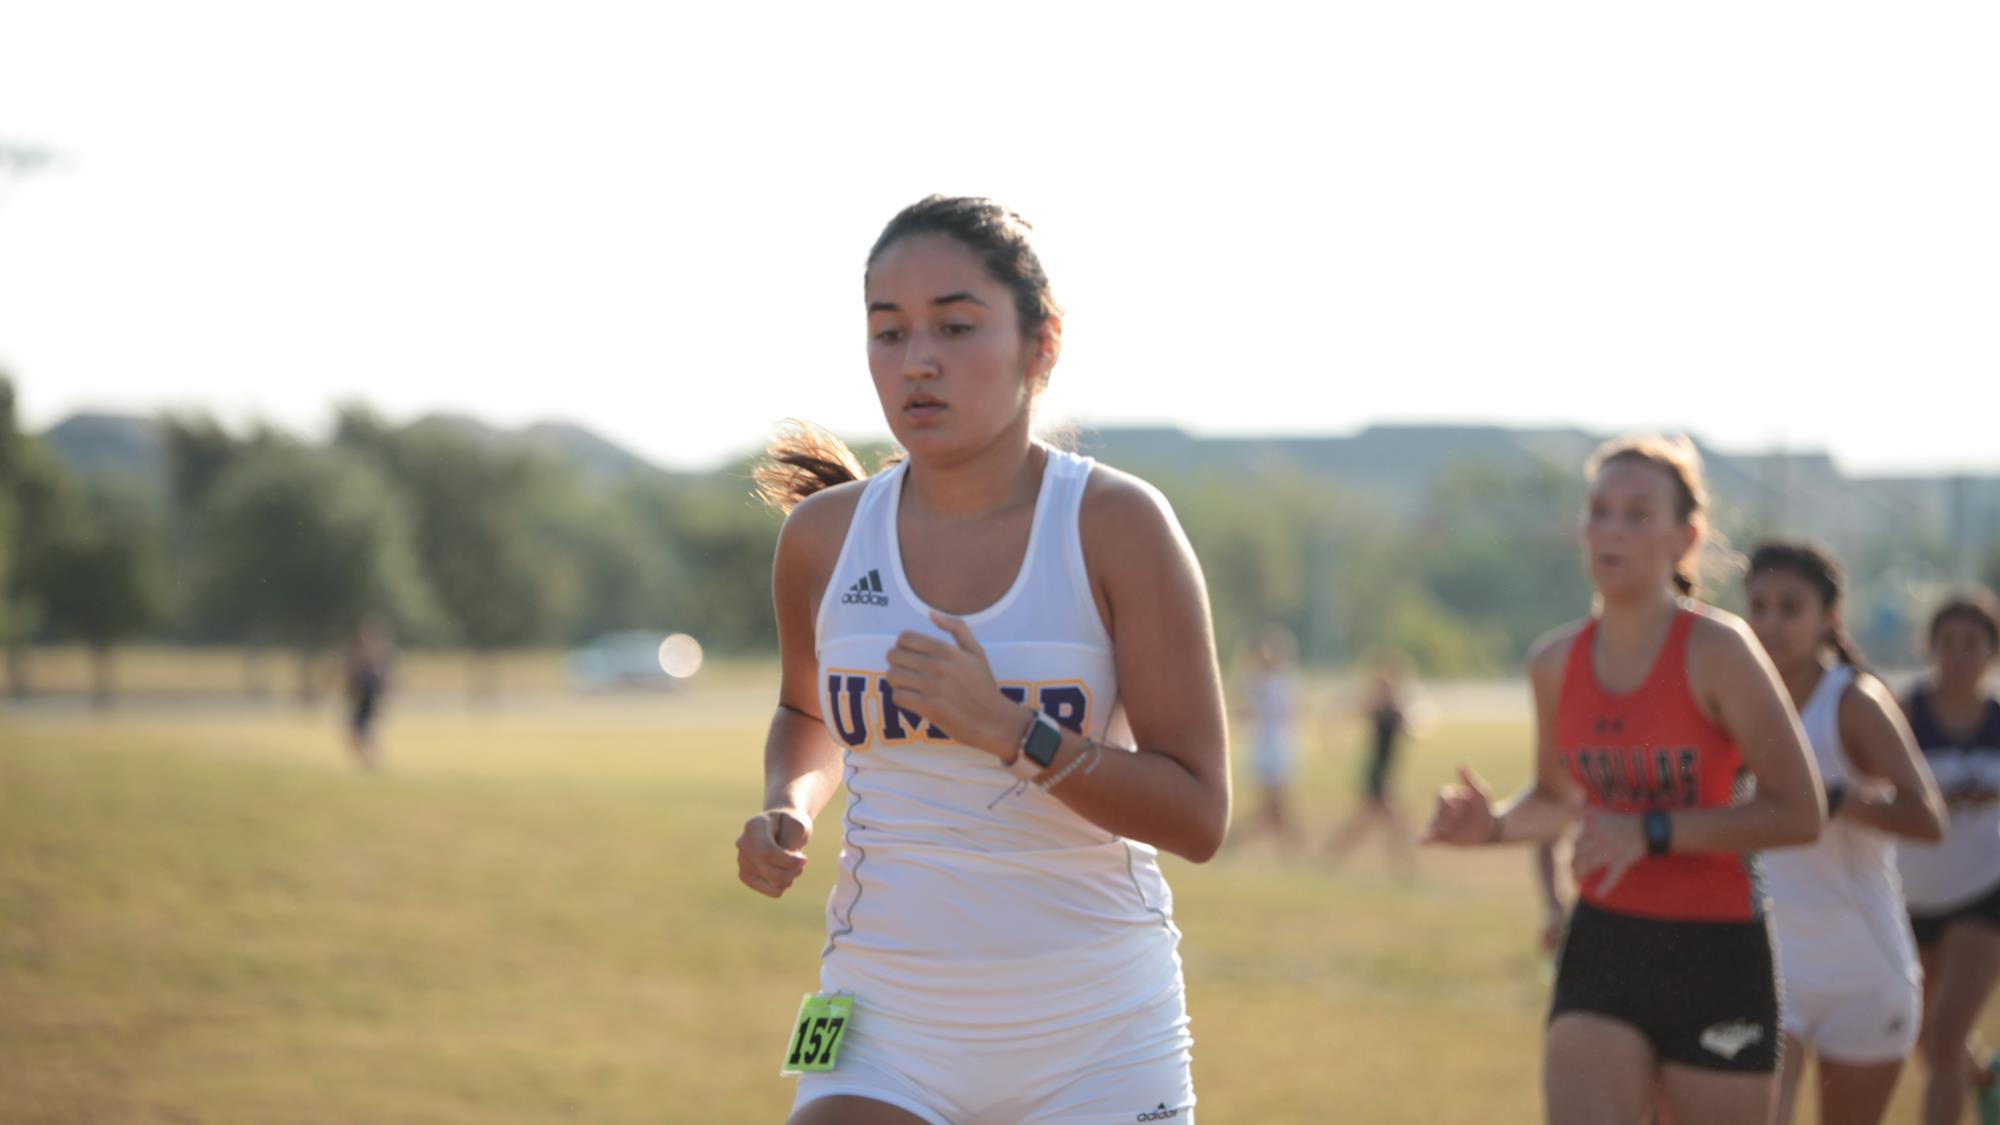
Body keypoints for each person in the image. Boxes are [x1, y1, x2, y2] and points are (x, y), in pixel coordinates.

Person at [734, 195, 1230, 1125]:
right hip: (873, 1015)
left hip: (1098, 1035)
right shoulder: (822, 538)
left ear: (1041, 343)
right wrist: (786, 804)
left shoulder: (1117, 526)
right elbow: (809, 717)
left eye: (956, 326)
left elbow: (1199, 814)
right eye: (889, 332)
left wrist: (1012, 731)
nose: (917, 360)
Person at [1424, 434, 1824, 1125]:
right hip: (1605, 942)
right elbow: (1556, 798)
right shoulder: (1554, 661)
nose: (1610, 529)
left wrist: (1654, 830)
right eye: (1599, 510)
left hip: (1717, 950)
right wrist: (1490, 826)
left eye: (1638, 513)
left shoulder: (1719, 649)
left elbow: (1800, 810)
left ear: (1685, 536)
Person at [1744, 542, 1946, 1125]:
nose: (1770, 623)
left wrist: (1840, 801)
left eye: (1790, 607)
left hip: (1862, 969)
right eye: (1757, 606)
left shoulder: (1853, 701)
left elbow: (1927, 817)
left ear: (1828, 617)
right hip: (1769, 965)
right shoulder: (1735, 698)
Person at [1898, 590, 2000, 1125]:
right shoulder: (1900, 715)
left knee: (1944, 1034)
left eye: (1972, 644)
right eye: (1947, 644)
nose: (1958, 656)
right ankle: (1986, 1080)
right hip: (1907, 900)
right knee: (1919, 1031)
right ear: (1930, 648)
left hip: (1985, 896)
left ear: (1991, 652)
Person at [1324, 652, 1419, 875]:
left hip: (1388, 769)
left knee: (1365, 822)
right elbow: (1345, 710)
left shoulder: (1396, 703)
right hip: (1377, 769)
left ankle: (1333, 853)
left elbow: (1414, 727)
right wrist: (1333, 740)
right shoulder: (1376, 703)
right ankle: (1403, 867)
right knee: (1393, 820)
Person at [1232, 624, 1303, 849]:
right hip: (1264, 746)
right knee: (1275, 807)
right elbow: (1243, 711)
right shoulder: (1256, 682)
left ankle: (1287, 848)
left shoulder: (1284, 681)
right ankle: (1290, 848)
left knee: (1276, 807)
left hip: (1279, 745)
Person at [342, 615, 393, 770]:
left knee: (359, 733)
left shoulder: (375, 656)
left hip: (367, 700)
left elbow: (380, 680)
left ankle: (372, 763)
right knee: (359, 735)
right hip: (361, 699)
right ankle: (371, 763)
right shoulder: (359, 654)